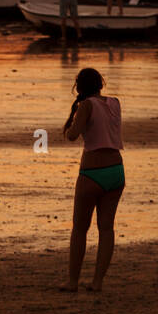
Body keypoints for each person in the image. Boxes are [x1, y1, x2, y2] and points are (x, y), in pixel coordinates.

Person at [61, 68, 124, 292]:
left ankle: (72, 282)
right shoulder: (114, 102)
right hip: (116, 170)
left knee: (80, 228)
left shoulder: (86, 105)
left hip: (92, 173)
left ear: (79, 87)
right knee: (106, 229)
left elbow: (72, 135)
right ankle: (97, 282)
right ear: (100, 84)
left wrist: (75, 118)